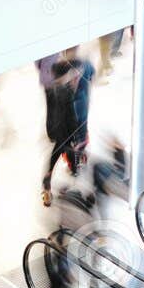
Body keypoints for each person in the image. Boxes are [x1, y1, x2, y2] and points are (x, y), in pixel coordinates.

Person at [41, 55, 96, 205]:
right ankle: (82, 191)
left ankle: (48, 186)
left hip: (62, 134)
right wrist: (77, 138)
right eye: (76, 75)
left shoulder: (56, 89)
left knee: (57, 158)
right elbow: (70, 118)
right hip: (67, 135)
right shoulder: (66, 93)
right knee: (73, 157)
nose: (77, 78)